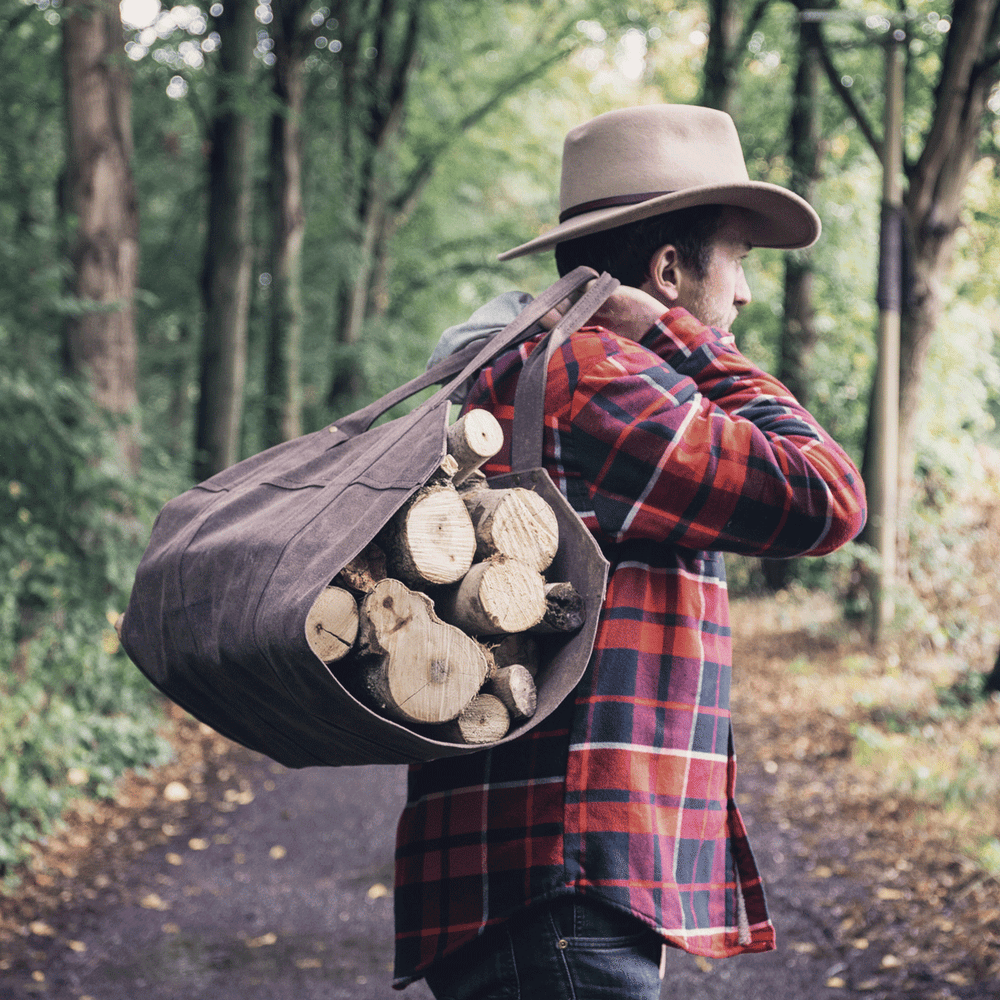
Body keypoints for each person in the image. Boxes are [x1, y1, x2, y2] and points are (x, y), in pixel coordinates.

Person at [393, 104, 867, 999]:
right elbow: (825, 497)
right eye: (738, 261)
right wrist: (670, 335)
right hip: (565, 885)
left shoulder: (524, 375)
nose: (745, 294)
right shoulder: (595, 379)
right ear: (668, 269)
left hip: (532, 887)